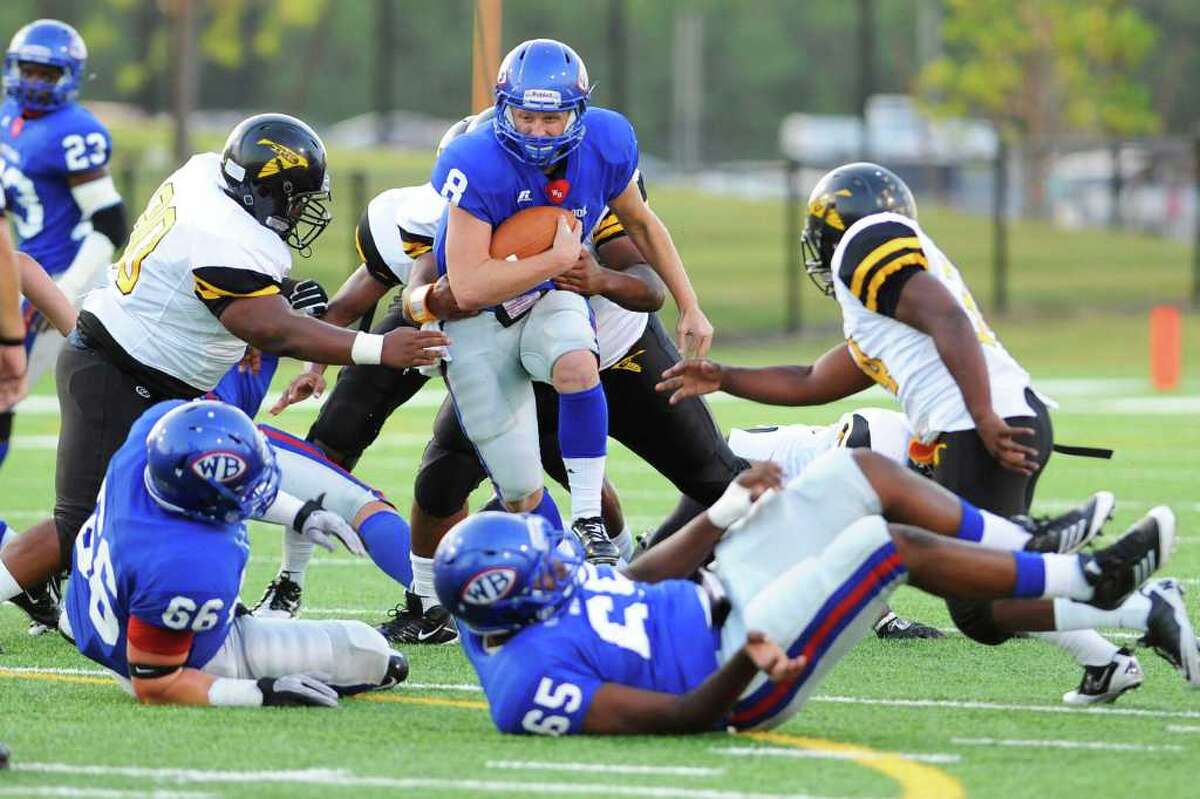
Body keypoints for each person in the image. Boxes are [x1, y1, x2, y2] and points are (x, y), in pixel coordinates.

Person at [657, 162, 1142, 704]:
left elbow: (950, 321)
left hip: (979, 423)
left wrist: (981, 416)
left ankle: (1100, 580)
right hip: (987, 419)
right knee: (980, 607)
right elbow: (813, 379)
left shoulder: (863, 242)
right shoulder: (883, 308)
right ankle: (1099, 630)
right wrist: (725, 377)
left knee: (981, 595)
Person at [0, 112, 448, 638]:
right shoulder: (224, 235)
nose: (300, 210)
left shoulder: (206, 174)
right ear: (264, 191)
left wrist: (270, 305)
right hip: (118, 373)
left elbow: (247, 313)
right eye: (295, 197)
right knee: (78, 523)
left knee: (173, 507)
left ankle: (172, 607)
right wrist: (379, 347)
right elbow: (270, 330)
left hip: (155, 374)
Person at [436, 453, 1188, 735]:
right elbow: (683, 716)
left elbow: (627, 583)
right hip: (738, 672)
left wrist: (725, 510)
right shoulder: (525, 684)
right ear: (516, 605)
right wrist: (749, 664)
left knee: (849, 473)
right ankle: (1091, 579)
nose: (564, 571)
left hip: (723, 588)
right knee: (877, 548)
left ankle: (1042, 551)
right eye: (550, 576)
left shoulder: (500, 602)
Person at [430, 38, 711, 561]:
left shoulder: (606, 142)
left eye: (551, 118)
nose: (537, 131)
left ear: (577, 112)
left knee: (579, 361)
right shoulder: (475, 158)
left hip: (546, 298)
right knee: (518, 487)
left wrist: (690, 304)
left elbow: (642, 223)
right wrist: (557, 262)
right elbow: (467, 288)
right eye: (525, 115)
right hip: (477, 320)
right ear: (502, 107)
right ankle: (556, 565)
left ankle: (588, 520)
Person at [59, 399, 407, 707]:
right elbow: (155, 685)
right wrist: (259, 693)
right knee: (374, 655)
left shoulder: (154, 433)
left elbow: (215, 487)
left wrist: (301, 514)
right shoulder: (187, 564)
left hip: (86, 608)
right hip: (156, 661)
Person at [646, 406, 943, 640]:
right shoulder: (879, 434)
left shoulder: (929, 461)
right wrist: (884, 620)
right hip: (744, 466)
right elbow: (832, 532)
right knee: (660, 585)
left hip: (784, 498)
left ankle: (675, 547)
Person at [0, 19, 129, 468]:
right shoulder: (8, 118)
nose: (33, 82)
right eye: (28, 70)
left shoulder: (73, 131)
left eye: (46, 73)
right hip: (20, 271)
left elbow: (111, 222)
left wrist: (66, 289)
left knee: (2, 388)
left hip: (54, 276)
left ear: (69, 76)